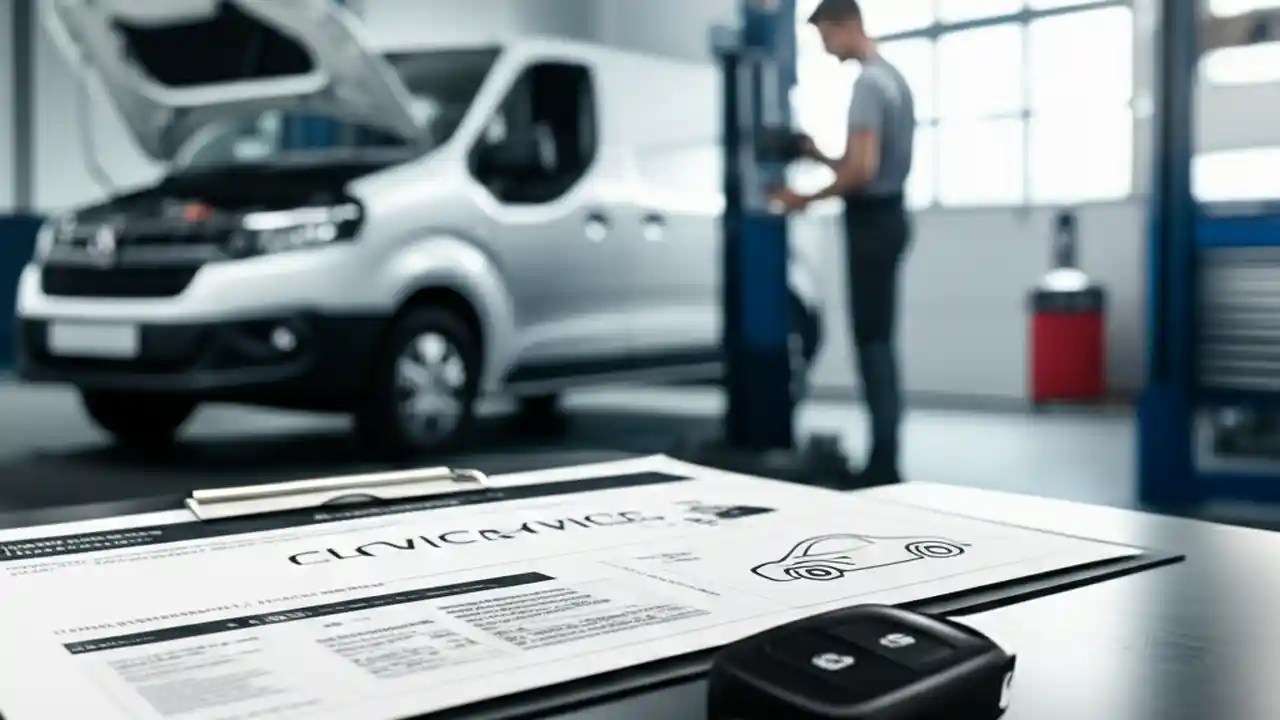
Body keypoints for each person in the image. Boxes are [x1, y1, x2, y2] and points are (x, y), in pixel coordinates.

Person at [771, 0, 915, 485]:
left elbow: (862, 171)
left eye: (825, 37)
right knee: (879, 338)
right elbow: (862, 164)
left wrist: (802, 198)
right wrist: (821, 155)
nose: (826, 49)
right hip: (889, 216)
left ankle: (883, 465)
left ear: (845, 26)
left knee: (872, 341)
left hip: (871, 224)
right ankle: (886, 455)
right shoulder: (893, 77)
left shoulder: (867, 85)